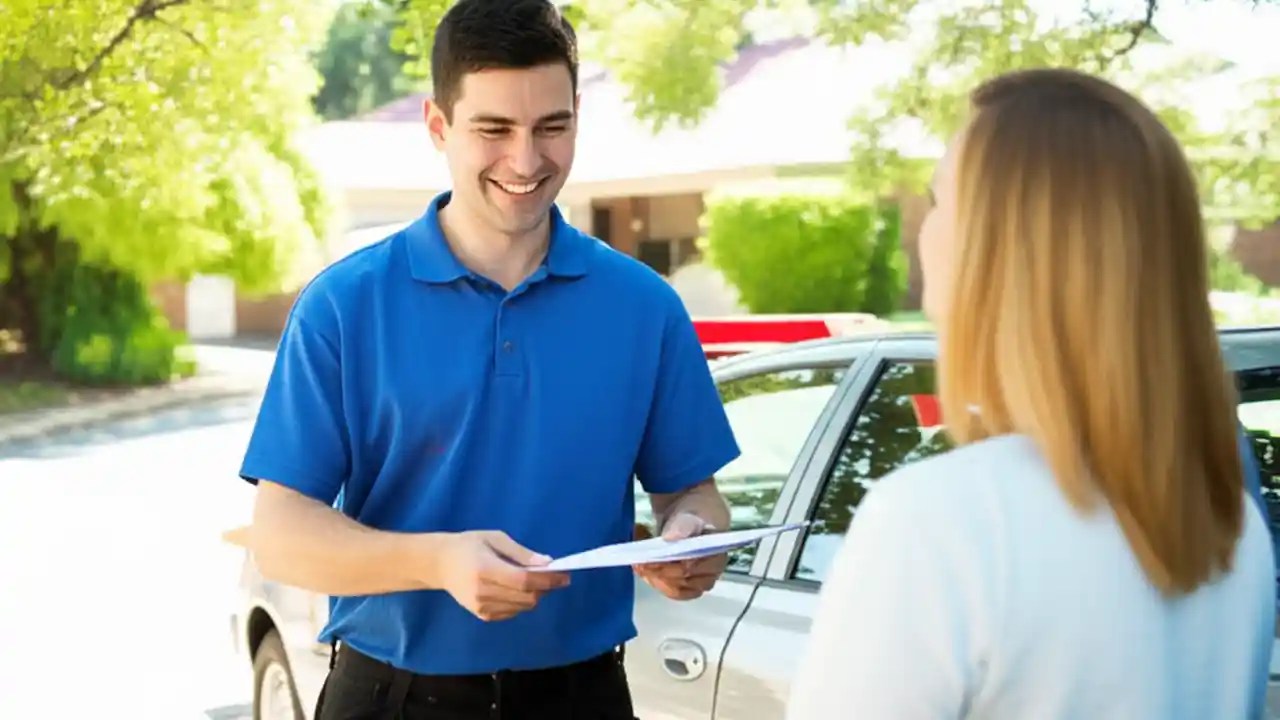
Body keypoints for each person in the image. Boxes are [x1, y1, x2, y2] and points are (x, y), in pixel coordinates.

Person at [237, 1, 741, 717]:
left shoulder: (644, 307)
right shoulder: (343, 306)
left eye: (552, 128)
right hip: (390, 699)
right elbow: (281, 538)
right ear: (439, 127)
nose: (527, 161)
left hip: (584, 698)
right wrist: (435, 562)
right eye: (494, 130)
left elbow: (695, 495)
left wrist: (696, 538)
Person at [786, 68, 1276, 719]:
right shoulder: (1231, 525)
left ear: (1000, 247)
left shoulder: (942, 519)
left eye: (938, 203)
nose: (922, 234)